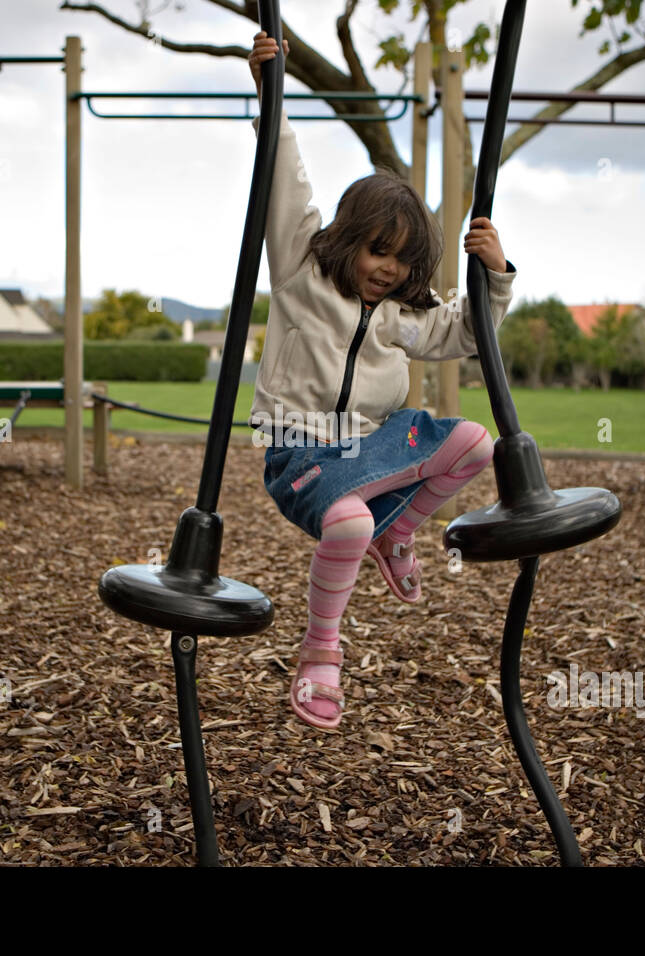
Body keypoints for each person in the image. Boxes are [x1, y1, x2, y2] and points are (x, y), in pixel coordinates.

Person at [248, 32, 517, 729]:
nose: (388, 269)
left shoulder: (401, 314)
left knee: (475, 444)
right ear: (349, 236)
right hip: (300, 450)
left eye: (402, 261)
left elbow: (464, 334)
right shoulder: (301, 272)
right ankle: (320, 653)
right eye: (377, 251)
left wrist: (494, 276)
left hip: (371, 442)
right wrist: (270, 95)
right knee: (348, 520)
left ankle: (397, 534)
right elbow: (285, 178)